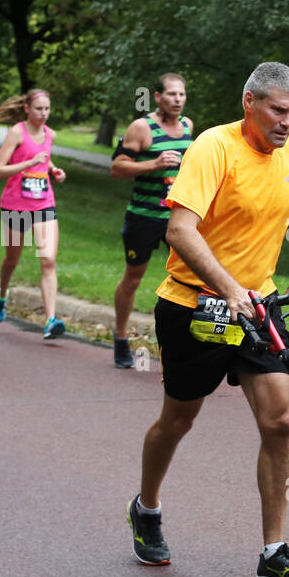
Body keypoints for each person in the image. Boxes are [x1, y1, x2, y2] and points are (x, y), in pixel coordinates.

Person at [126, 62, 289, 577]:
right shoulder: (213, 147)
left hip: (258, 305)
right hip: (194, 305)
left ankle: (274, 552)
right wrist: (228, 288)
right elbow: (180, 231)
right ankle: (146, 506)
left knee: (281, 422)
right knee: (178, 420)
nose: (287, 122)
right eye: (278, 110)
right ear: (248, 102)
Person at [110, 73, 194, 368]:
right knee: (133, 278)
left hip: (177, 219)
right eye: (171, 94)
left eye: (181, 95)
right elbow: (118, 168)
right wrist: (155, 164)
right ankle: (121, 337)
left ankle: (183, 342)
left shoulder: (187, 126)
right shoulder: (141, 128)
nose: (177, 100)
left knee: (188, 279)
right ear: (157, 97)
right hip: (144, 217)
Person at [0, 89, 68, 339]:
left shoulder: (50, 134)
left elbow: (44, 160)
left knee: (48, 260)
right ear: (27, 109)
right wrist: (29, 163)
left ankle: (50, 320)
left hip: (44, 203)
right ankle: (2, 295)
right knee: (12, 259)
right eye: (38, 109)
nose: (43, 114)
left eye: (47, 109)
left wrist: (54, 170)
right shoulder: (16, 132)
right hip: (16, 204)